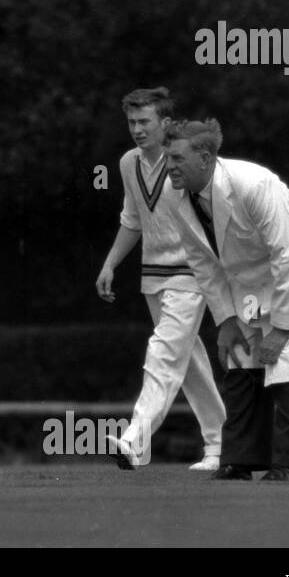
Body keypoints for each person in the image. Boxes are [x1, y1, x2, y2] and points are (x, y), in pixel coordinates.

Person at [162, 119, 289, 482]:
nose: (169, 166)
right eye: (167, 158)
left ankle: (286, 465)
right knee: (240, 358)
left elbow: (288, 252)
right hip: (251, 279)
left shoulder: (252, 183)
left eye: (176, 158)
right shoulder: (173, 193)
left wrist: (281, 329)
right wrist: (226, 321)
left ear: (204, 158)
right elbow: (202, 260)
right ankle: (240, 460)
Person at [96, 87, 224, 470]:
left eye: (144, 122)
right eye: (131, 122)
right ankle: (221, 444)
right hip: (152, 276)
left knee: (164, 353)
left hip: (191, 273)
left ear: (165, 123)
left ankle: (134, 439)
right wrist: (110, 264)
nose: (137, 129)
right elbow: (132, 219)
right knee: (188, 364)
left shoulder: (183, 162)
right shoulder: (128, 163)